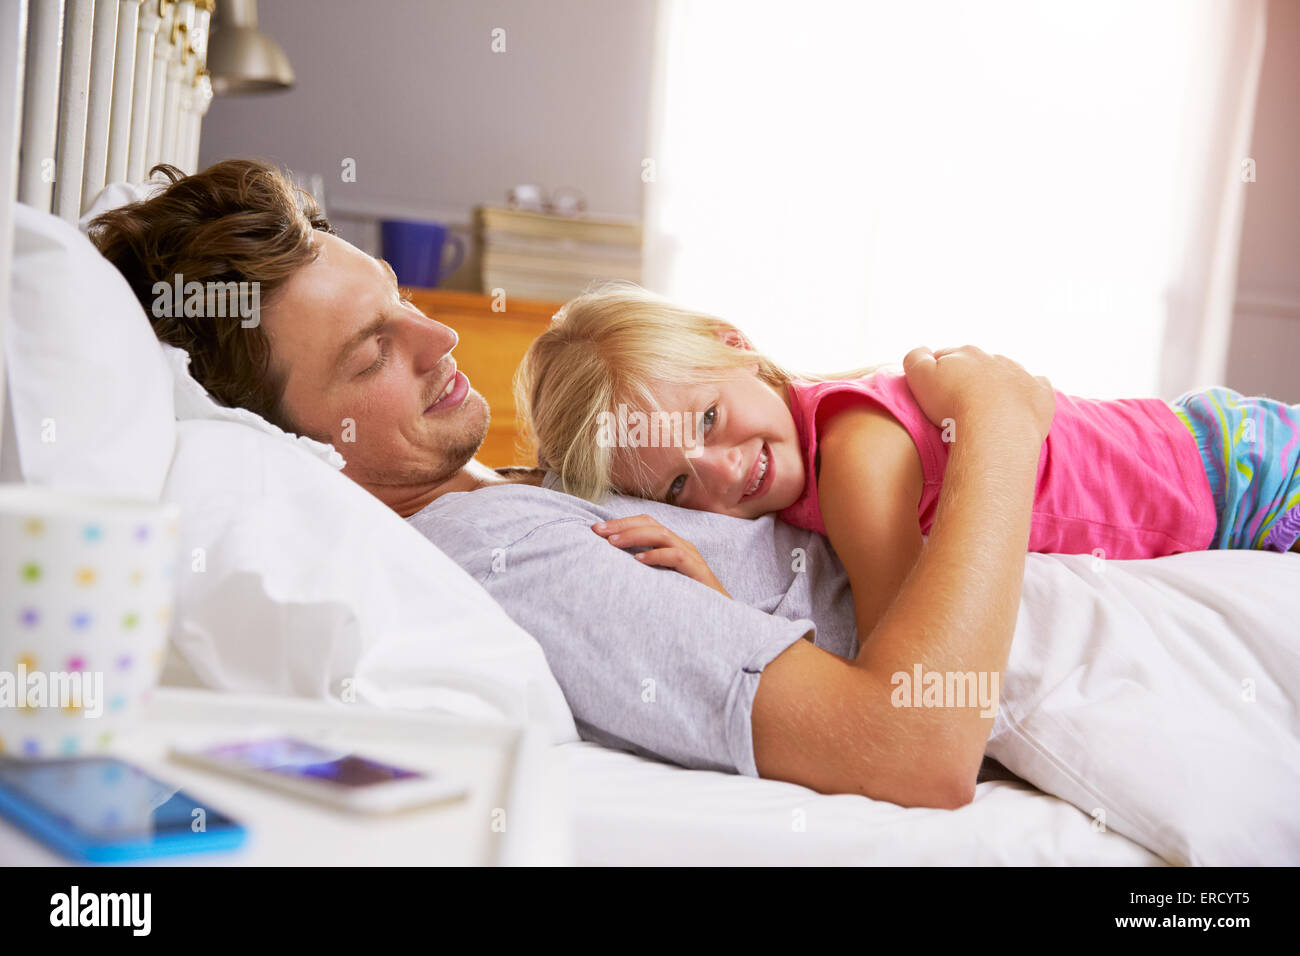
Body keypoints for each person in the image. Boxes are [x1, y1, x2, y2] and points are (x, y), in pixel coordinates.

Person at [90, 158, 1054, 808]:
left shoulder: (516, 494)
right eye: (373, 351)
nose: (441, 339)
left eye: (401, 300)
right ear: (298, 443)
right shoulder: (504, 556)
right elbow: (912, 749)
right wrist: (1000, 433)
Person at [515, 283, 1300, 633]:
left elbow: (901, 653)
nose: (721, 471)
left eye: (711, 418)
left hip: (1241, 476)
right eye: (680, 483)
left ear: (737, 345)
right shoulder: (808, 423)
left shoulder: (856, 457)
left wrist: (722, 606)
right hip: (1213, 447)